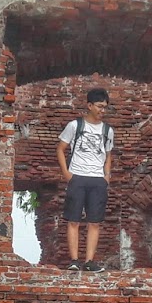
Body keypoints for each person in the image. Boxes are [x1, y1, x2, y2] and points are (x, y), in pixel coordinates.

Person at [56, 88, 114, 272]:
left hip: (97, 179)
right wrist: (67, 174)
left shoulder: (107, 130)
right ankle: (74, 260)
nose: (102, 110)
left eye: (105, 107)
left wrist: (106, 176)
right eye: (99, 106)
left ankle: (89, 261)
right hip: (77, 177)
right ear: (89, 105)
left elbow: (108, 155)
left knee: (94, 222)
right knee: (73, 220)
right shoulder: (75, 126)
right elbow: (60, 149)